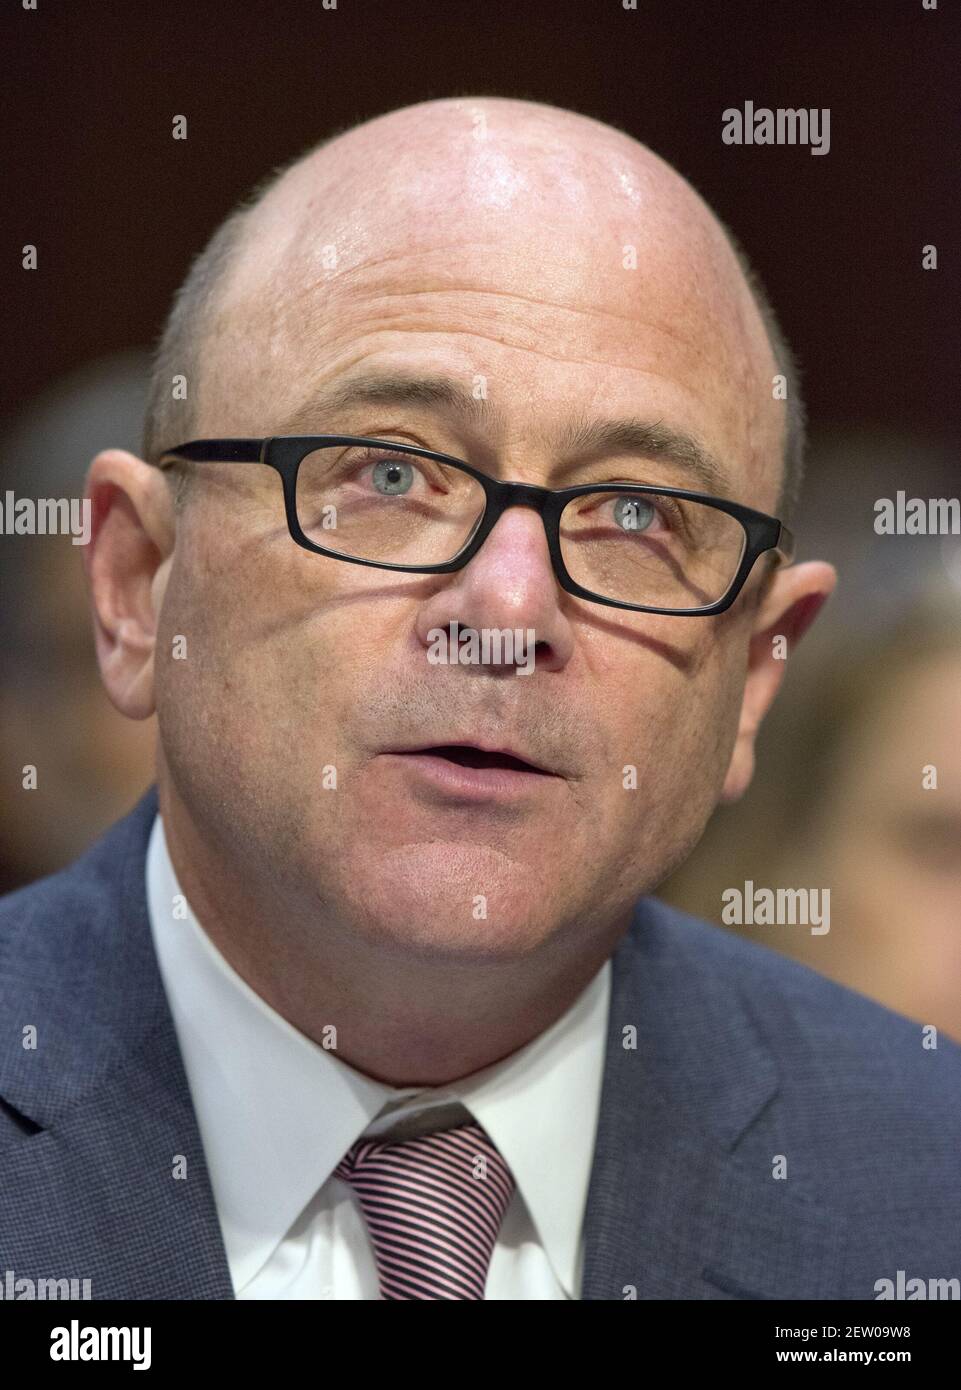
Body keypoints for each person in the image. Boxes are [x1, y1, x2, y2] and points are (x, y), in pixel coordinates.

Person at [1, 96, 958, 1302]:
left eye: (636, 515)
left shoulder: (928, 1195)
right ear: (139, 586)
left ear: (754, 676)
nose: (508, 611)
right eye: (389, 473)